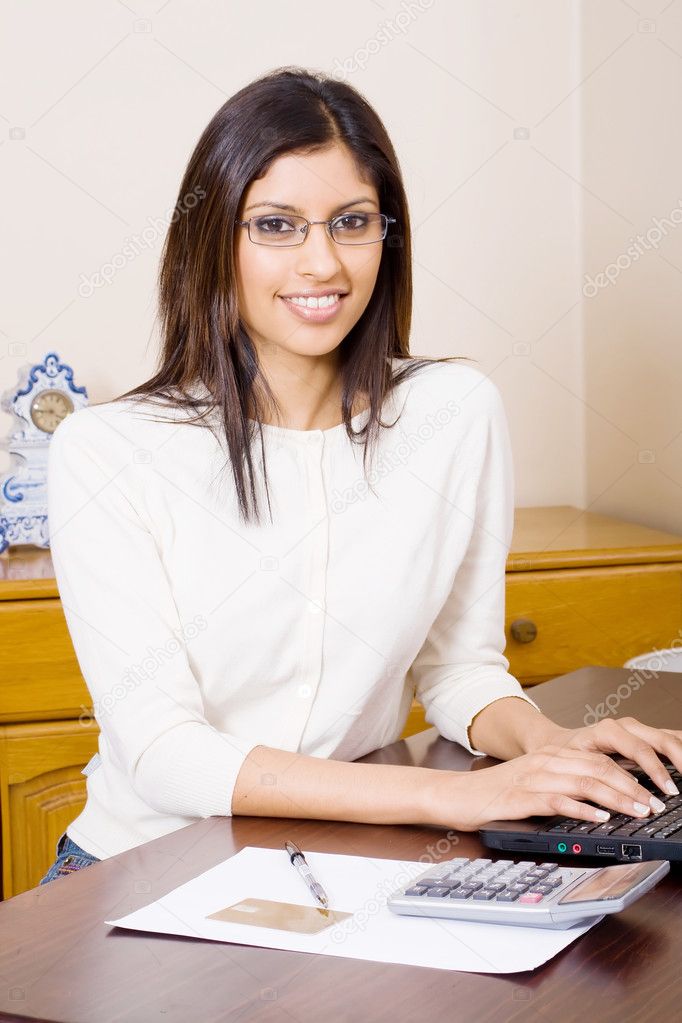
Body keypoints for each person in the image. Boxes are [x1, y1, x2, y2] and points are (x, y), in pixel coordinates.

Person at [40, 65, 681, 885]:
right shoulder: (107, 448)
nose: (322, 263)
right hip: (144, 866)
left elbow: (458, 668)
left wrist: (547, 744)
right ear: (213, 243)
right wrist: (453, 800)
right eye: (275, 225)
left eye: (352, 222)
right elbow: (165, 754)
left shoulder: (455, 413)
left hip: (336, 863)